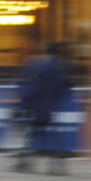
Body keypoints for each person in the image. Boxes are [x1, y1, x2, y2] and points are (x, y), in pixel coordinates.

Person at [14, 38, 68, 173]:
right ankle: (55, 163)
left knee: (33, 134)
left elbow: (34, 88)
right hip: (50, 106)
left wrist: (24, 106)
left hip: (39, 106)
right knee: (46, 135)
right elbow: (60, 88)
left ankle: (24, 163)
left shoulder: (42, 67)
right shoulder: (58, 67)